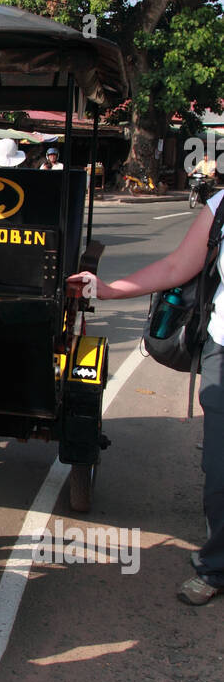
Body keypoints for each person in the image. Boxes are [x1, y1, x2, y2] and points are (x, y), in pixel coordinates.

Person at [67, 193, 224, 605]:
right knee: (220, 469)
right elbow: (176, 266)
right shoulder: (222, 205)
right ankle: (216, 566)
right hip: (223, 353)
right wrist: (108, 289)